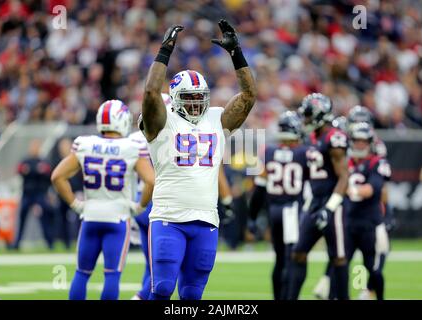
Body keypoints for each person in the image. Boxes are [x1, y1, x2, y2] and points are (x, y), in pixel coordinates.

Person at [140, 20, 256, 300]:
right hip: (169, 217)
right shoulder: (161, 121)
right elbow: (150, 93)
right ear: (176, 99)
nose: (194, 102)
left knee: (192, 295)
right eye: (188, 97)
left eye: (198, 97)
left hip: (206, 219)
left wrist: (236, 53)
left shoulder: (216, 119)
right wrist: (164, 52)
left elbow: (249, 96)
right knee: (163, 289)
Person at [51, 99, 155, 300]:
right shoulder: (131, 146)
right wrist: (140, 206)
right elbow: (151, 180)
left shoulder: (86, 143)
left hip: (90, 216)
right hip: (118, 218)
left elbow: (57, 176)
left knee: (82, 273)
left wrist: (75, 204)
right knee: (112, 276)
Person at [286, 93, 349, 300]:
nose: (305, 120)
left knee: (338, 257)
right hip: (314, 204)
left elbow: (344, 177)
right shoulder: (312, 137)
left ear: (320, 115)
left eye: (308, 115)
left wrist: (329, 208)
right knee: (298, 252)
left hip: (333, 205)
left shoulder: (334, 137)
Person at [248, 111, 309, 300]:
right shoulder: (304, 153)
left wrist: (252, 216)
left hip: (274, 211)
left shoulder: (269, 151)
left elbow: (259, 188)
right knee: (294, 260)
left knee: (280, 260)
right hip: (293, 211)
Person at [345, 122, 391, 300]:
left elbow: (374, 188)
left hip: (370, 223)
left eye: (363, 141)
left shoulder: (377, 162)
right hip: (349, 222)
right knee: (340, 264)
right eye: (357, 141)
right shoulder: (345, 162)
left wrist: (350, 190)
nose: (360, 145)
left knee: (373, 268)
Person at [13, 139, 54, 250]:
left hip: (40, 194)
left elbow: (47, 173)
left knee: (44, 219)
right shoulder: (26, 160)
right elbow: (20, 170)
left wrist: (31, 171)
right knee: (22, 219)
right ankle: (16, 243)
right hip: (27, 194)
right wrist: (36, 171)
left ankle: (50, 243)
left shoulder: (43, 161)